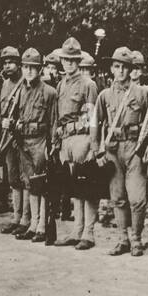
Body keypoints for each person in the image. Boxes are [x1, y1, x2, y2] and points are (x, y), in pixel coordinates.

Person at [97, 47, 148, 256]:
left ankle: (137, 239)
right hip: (113, 150)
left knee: (137, 198)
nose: (120, 71)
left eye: (125, 67)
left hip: (135, 149)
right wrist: (99, 151)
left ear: (132, 70)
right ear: (111, 68)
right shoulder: (104, 95)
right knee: (118, 197)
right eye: (117, 66)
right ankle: (122, 239)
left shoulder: (144, 93)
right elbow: (97, 123)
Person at [6, 48, 59, 242]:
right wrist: (11, 124)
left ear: (40, 70)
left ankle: (43, 226)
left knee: (41, 183)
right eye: (26, 67)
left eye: (33, 68)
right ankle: (33, 223)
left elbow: (53, 121)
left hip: (40, 142)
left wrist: (51, 146)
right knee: (29, 183)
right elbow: (16, 116)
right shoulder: (20, 90)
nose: (29, 71)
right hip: (23, 141)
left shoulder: (49, 92)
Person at [53, 37, 101, 249]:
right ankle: (76, 230)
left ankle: (88, 233)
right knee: (74, 187)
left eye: (73, 60)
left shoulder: (88, 84)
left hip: (82, 138)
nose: (69, 64)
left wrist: (93, 144)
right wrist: (56, 141)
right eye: (66, 60)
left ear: (79, 61)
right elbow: (57, 116)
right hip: (66, 140)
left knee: (87, 186)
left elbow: (92, 117)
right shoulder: (60, 84)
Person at [0, 46, 29, 235]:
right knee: (13, 178)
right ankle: (16, 216)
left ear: (19, 64)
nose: (7, 66)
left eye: (11, 62)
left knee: (25, 177)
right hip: (7, 137)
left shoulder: (26, 82)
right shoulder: (5, 84)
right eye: (5, 63)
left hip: (23, 136)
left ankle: (26, 218)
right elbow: (1, 112)